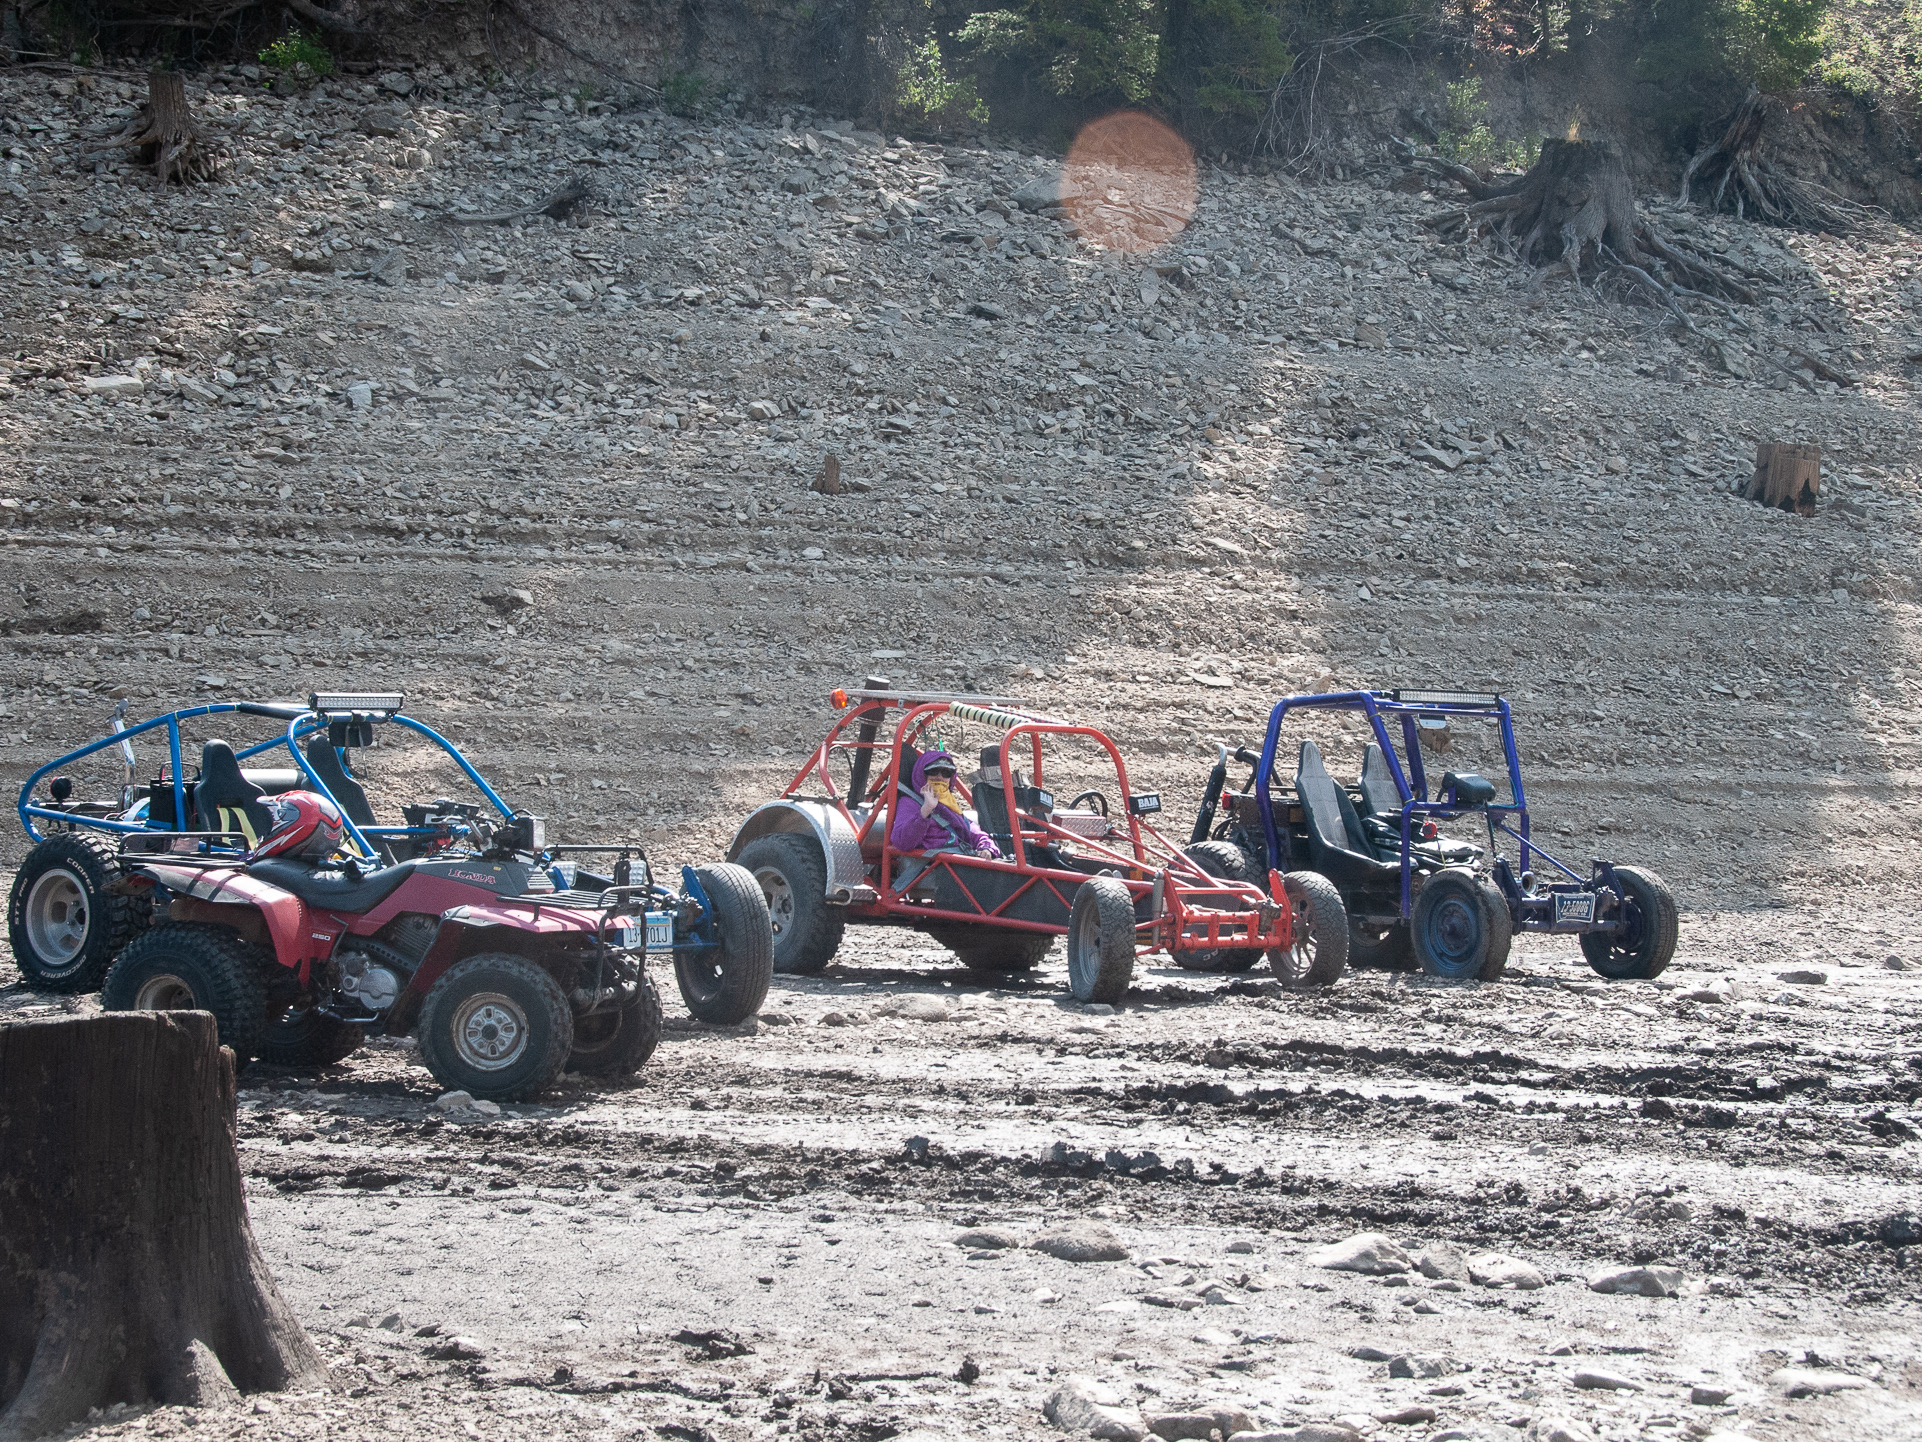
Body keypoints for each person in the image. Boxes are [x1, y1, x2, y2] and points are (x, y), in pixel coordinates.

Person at [889, 749, 1000, 860]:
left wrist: (987, 848)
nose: (939, 777)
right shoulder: (909, 803)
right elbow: (902, 843)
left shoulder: (949, 803)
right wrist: (926, 809)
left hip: (959, 863)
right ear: (922, 774)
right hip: (930, 868)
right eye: (933, 771)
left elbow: (973, 831)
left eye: (946, 773)